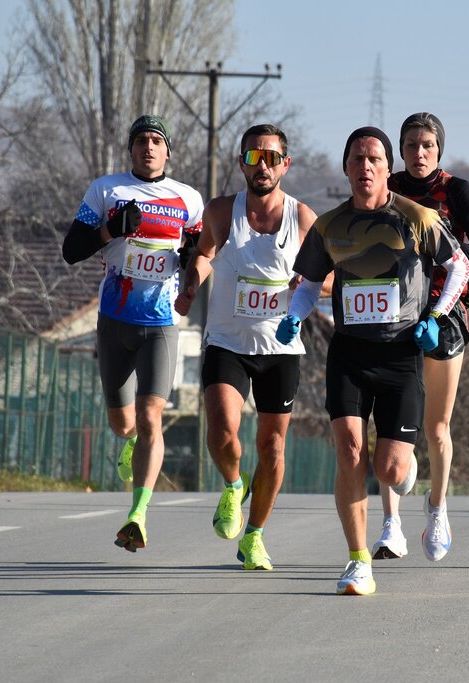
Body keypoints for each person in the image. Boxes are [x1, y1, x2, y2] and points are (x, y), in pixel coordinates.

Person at [277, 127, 469, 595]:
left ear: (388, 168)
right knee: (348, 452)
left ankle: (406, 468)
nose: (365, 166)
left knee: (390, 470)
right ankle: (358, 560)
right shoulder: (330, 225)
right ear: (346, 168)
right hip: (350, 352)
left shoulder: (417, 217)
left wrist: (436, 315)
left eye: (374, 159)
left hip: (401, 353)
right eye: (357, 159)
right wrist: (295, 316)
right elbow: (309, 284)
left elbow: (460, 267)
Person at [173, 124, 318, 570]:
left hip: (280, 349)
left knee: (272, 447)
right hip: (227, 343)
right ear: (242, 163)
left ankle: (254, 535)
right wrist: (191, 285)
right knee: (222, 431)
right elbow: (203, 253)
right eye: (254, 157)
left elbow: (328, 277)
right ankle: (234, 485)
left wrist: (306, 281)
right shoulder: (221, 210)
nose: (263, 166)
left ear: (285, 165)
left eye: (271, 158)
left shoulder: (302, 218)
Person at [62, 115, 204, 551]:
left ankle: (138, 514)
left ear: (168, 152)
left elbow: (201, 253)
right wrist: (110, 229)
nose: (148, 147)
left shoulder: (188, 199)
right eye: (141, 140)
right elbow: (71, 250)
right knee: (123, 423)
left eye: (157, 141)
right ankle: (131, 444)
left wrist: (192, 266)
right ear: (131, 149)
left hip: (161, 325)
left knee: (150, 416)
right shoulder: (106, 190)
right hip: (114, 321)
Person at [372, 112, 469, 563]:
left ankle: (438, 510)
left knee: (436, 425)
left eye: (427, 145)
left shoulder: (455, 190)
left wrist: (444, 248)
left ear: (439, 149)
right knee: (389, 425)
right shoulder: (388, 188)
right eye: (411, 145)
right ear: (400, 150)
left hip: (444, 312)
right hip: (393, 312)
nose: (419, 153)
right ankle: (391, 525)